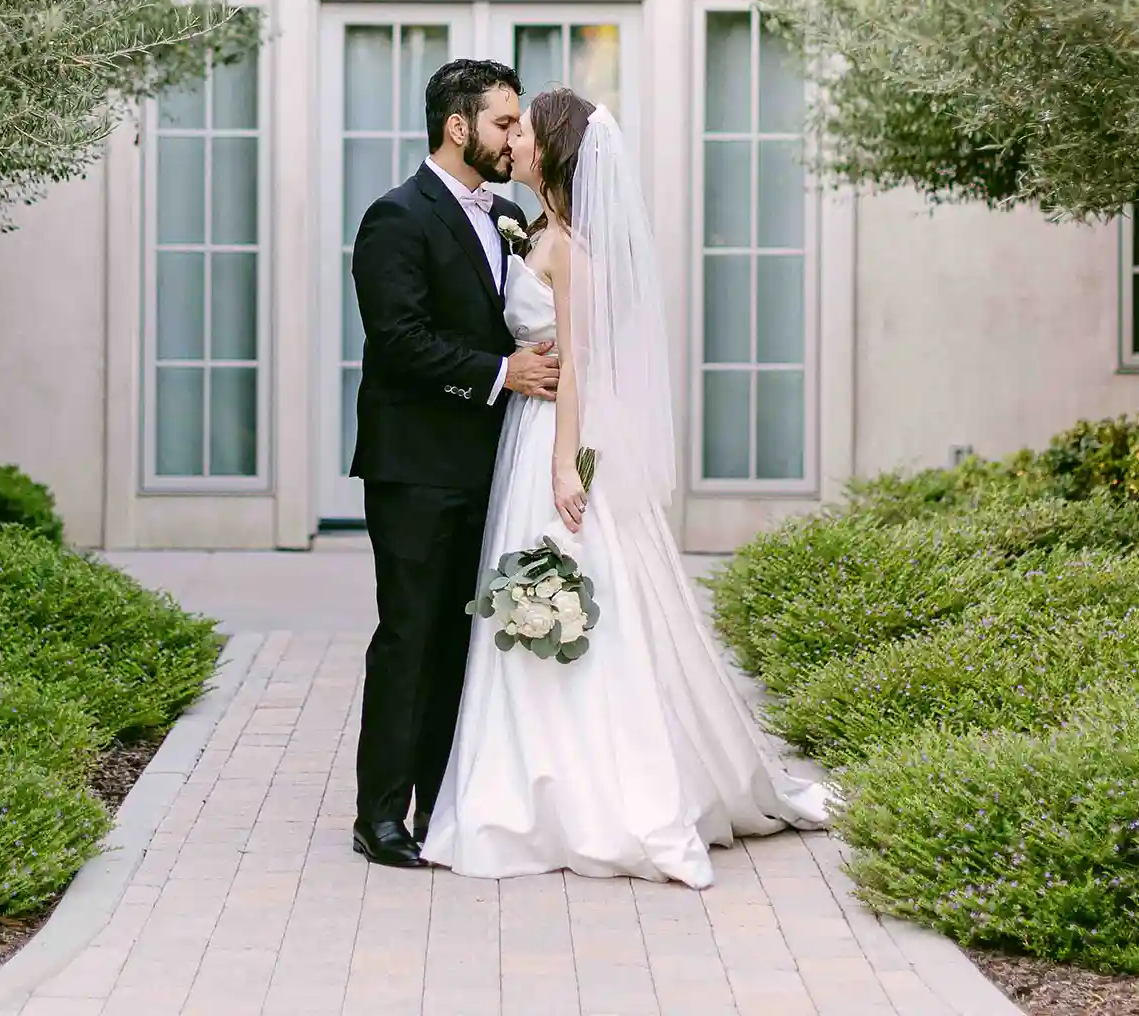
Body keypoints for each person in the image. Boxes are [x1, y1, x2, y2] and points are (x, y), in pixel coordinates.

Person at [420, 86, 827, 886]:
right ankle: (537, 782)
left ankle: (587, 795)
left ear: (556, 151)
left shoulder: (568, 247)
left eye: (526, 134)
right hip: (529, 432)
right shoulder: (540, 229)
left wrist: (565, 461)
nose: (516, 145)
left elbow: (580, 362)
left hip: (555, 437)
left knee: (575, 589)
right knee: (552, 593)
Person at [347, 58, 561, 869]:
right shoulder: (394, 217)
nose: (517, 139)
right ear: (458, 127)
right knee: (410, 635)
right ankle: (379, 815)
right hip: (415, 468)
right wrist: (504, 373)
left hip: (491, 468)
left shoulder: (509, 216)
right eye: (505, 124)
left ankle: (441, 801)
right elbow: (398, 341)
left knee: (464, 643)